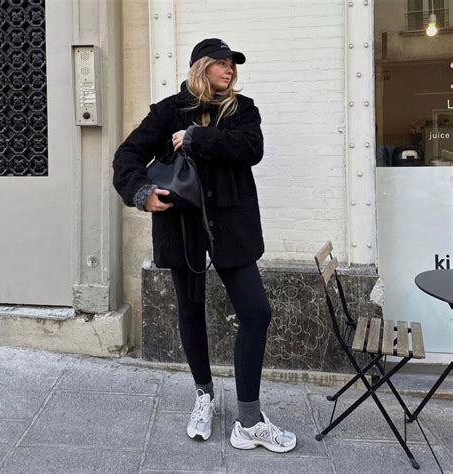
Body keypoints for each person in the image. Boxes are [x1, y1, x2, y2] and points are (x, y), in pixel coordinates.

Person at [113, 38, 297, 453]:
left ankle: (249, 420)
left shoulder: (241, 110)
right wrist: (142, 192)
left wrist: (198, 138)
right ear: (201, 67)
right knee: (190, 311)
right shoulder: (166, 111)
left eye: (233, 65)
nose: (229, 70)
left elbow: (252, 149)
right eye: (221, 64)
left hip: (231, 226)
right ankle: (204, 396)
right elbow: (126, 156)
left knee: (256, 312)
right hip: (182, 226)